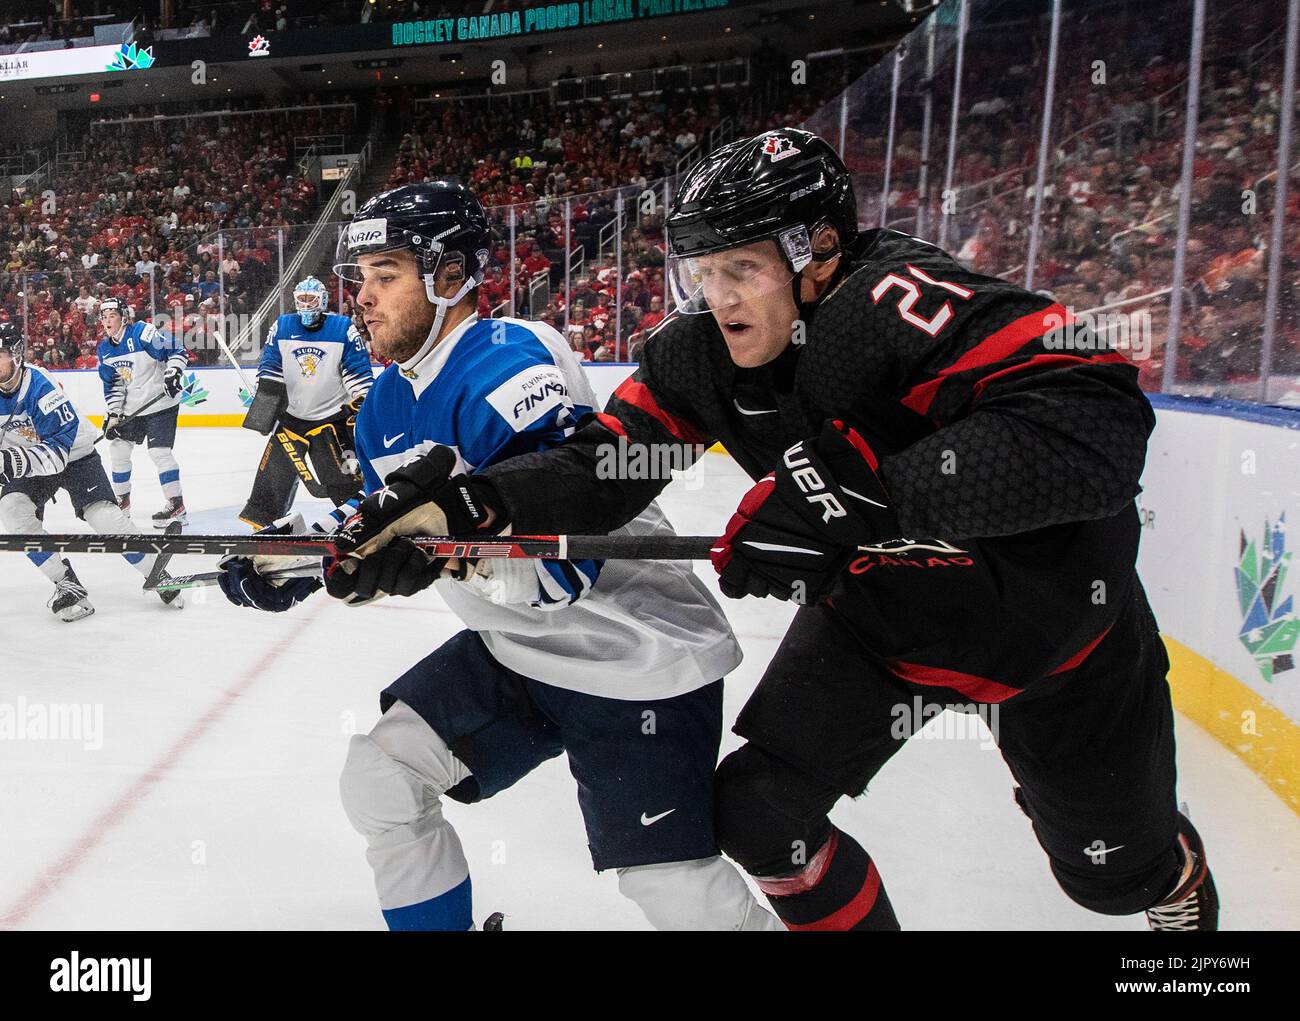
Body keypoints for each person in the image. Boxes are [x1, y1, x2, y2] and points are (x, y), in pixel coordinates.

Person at [335, 130, 1218, 931]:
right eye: (700, 273)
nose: (717, 300)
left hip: (1054, 631)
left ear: (820, 251)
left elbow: (1094, 422)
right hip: (886, 627)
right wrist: (472, 508)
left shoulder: (899, 302)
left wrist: (861, 496)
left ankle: (1168, 881)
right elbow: (602, 469)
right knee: (762, 815)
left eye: (741, 270)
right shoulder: (700, 355)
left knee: (1113, 877)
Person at [217, 182, 779, 932]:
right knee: (382, 774)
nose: (365, 299)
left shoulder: (510, 360)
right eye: (362, 279)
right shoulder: (383, 404)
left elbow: (558, 573)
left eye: (387, 276)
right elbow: (382, 522)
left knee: (673, 886)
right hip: (521, 652)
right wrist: (293, 560)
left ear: (450, 278)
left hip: (636, 652)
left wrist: (442, 556)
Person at [0, 323, 182, 620]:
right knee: (12, 511)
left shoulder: (39, 385)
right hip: (27, 461)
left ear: (18, 356)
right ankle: (66, 583)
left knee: (103, 515)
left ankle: (156, 572)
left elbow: (57, 455)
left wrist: (9, 463)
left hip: (73, 455)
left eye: (0, 355)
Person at [237, 276, 373, 529]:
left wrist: (362, 399)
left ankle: (356, 520)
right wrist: (267, 399)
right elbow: (271, 365)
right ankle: (264, 524)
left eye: (311, 299)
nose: (306, 304)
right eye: (301, 299)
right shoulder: (283, 325)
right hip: (291, 419)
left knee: (345, 481)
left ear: (322, 300)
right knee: (273, 478)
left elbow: (357, 370)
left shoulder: (342, 327)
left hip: (331, 420)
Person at [96, 297, 189, 526]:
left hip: (160, 405)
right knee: (118, 449)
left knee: (159, 453)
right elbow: (114, 385)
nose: (108, 322)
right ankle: (122, 503)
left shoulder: (141, 332)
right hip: (133, 409)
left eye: (113, 316)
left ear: (123, 317)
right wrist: (114, 414)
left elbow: (176, 349)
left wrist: (173, 372)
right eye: (104, 318)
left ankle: (176, 505)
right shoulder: (105, 349)